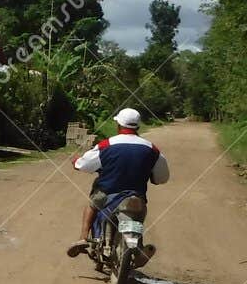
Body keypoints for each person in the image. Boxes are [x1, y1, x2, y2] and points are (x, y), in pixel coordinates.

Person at [66, 107, 169, 257]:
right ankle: (138, 248)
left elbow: (83, 165)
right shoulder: (152, 149)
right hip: (137, 197)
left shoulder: (106, 145)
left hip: (108, 195)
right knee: (138, 219)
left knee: (92, 205)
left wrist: (76, 162)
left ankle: (83, 237)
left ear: (119, 126)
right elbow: (162, 178)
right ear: (138, 126)